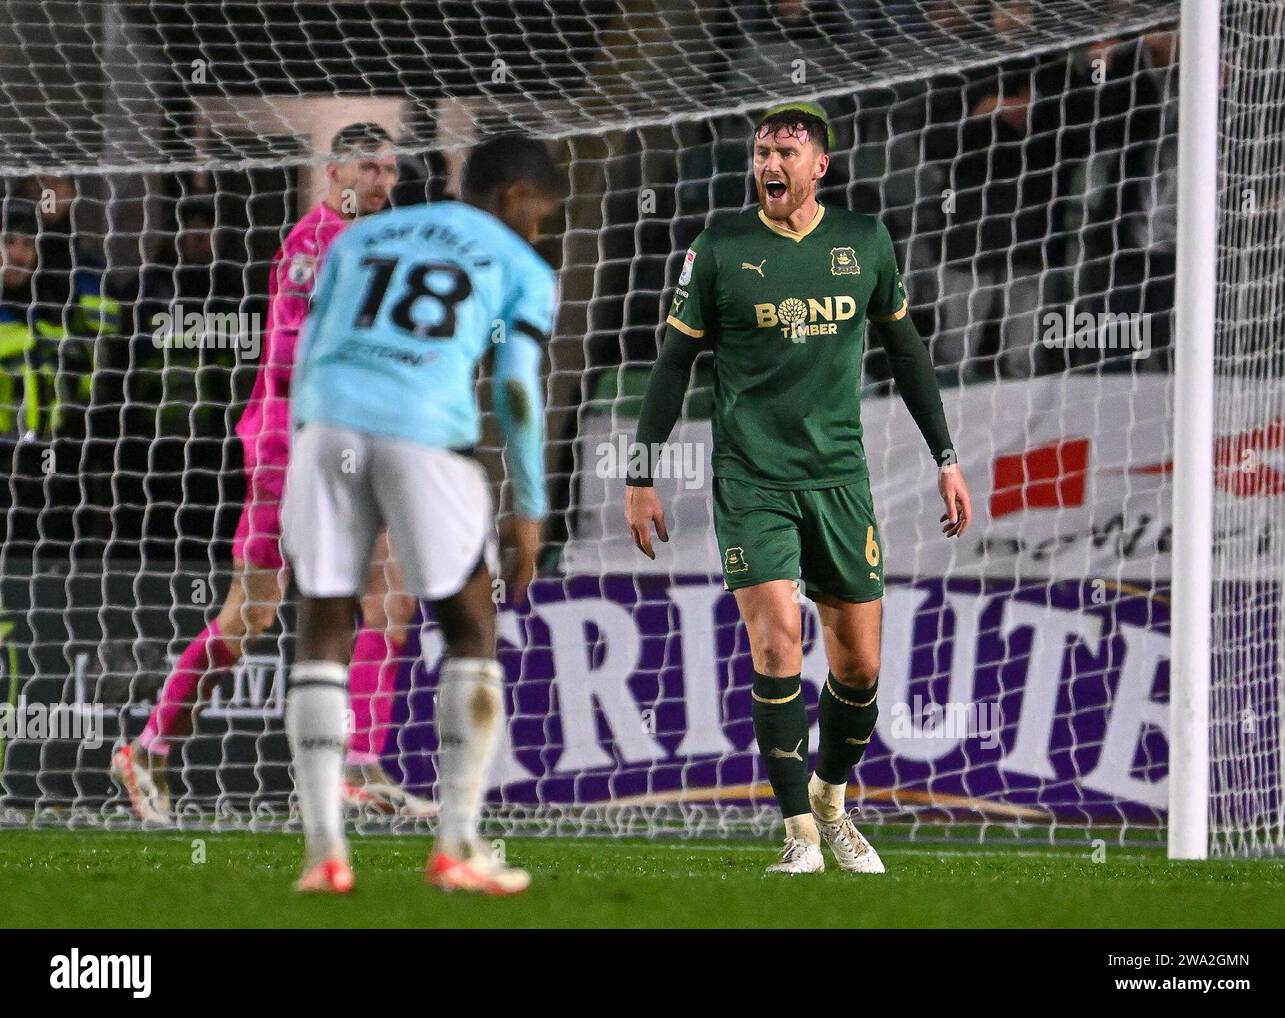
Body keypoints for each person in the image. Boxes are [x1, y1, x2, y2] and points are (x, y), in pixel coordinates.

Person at [625, 102, 972, 874]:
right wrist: (641, 470)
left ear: (821, 165)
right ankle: (799, 833)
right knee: (777, 638)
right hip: (753, 478)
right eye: (760, 154)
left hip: (840, 481)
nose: (769, 166)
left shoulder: (864, 241)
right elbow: (674, 365)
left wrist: (947, 457)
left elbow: (907, 352)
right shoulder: (719, 248)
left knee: (859, 669)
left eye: (785, 152)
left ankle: (830, 799)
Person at [111, 124, 428, 821]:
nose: (382, 182)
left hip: (354, 448)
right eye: (369, 169)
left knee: (391, 598)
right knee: (249, 617)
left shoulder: (377, 245)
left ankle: (363, 766)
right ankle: (149, 749)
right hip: (290, 452)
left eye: (389, 170)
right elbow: (287, 357)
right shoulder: (314, 243)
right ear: (334, 173)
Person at [282, 133, 563, 894]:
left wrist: (307, 443)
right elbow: (513, 387)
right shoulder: (521, 265)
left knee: (325, 623)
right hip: (423, 434)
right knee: (471, 621)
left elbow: (311, 345)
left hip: (325, 428)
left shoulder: (363, 234)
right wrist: (528, 508)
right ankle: (457, 846)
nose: (541, 230)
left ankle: (324, 858)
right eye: (541, 214)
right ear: (512, 198)